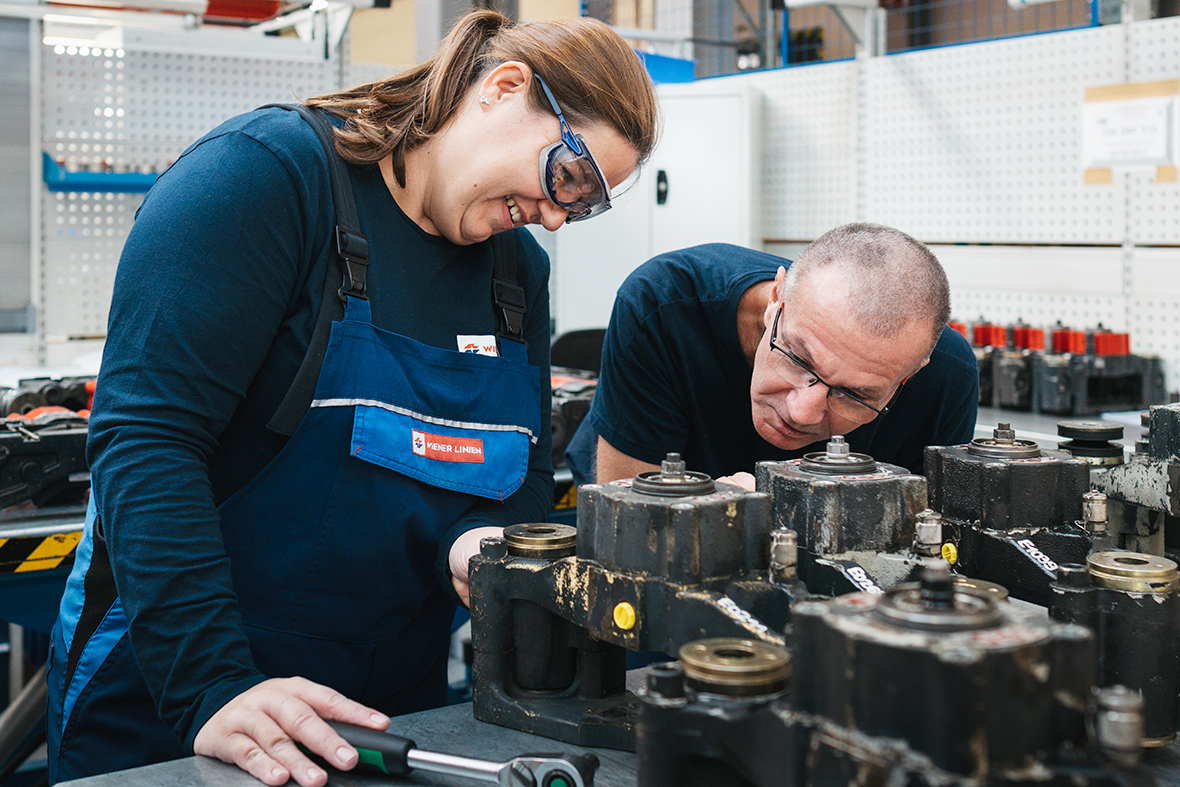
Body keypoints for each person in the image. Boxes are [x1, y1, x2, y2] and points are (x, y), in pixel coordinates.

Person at [48, 11, 658, 787]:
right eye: (566, 177)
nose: (555, 215)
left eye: (584, 203)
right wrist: (212, 685)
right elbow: (146, 442)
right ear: (504, 89)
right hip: (185, 704)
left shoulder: (516, 277)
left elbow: (521, 484)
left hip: (387, 723)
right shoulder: (263, 178)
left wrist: (481, 546)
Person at [565, 223, 978, 488]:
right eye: (798, 360)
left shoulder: (946, 375)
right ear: (777, 299)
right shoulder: (664, 304)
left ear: (911, 375)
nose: (803, 412)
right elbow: (626, 530)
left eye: (854, 395)